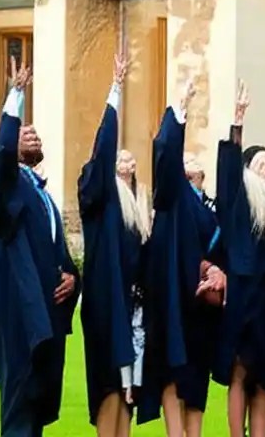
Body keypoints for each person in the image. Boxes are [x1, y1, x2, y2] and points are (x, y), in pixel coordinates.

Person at [0, 57, 81, 436]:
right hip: (19, 311)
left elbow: (58, 251)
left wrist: (72, 277)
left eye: (35, 133)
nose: (32, 135)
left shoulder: (41, 195)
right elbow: (2, 159)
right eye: (23, 131)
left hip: (47, 313)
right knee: (19, 405)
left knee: (38, 404)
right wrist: (15, 98)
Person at [139, 77, 225, 436]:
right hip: (172, 294)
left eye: (194, 167)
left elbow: (222, 249)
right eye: (182, 165)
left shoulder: (210, 209)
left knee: (196, 374)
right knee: (171, 370)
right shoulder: (171, 198)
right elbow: (164, 150)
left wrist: (219, 271)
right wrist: (179, 109)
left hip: (200, 306)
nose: (187, 169)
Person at [78, 50, 152, 435]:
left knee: (129, 393)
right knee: (108, 384)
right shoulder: (96, 196)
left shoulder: (133, 212)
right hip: (105, 304)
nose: (124, 164)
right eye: (116, 162)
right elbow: (103, 151)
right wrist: (115, 92)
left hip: (130, 306)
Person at [212, 81, 265, 437]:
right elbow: (228, 171)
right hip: (243, 295)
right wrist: (237, 122)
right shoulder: (239, 197)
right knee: (240, 371)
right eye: (260, 161)